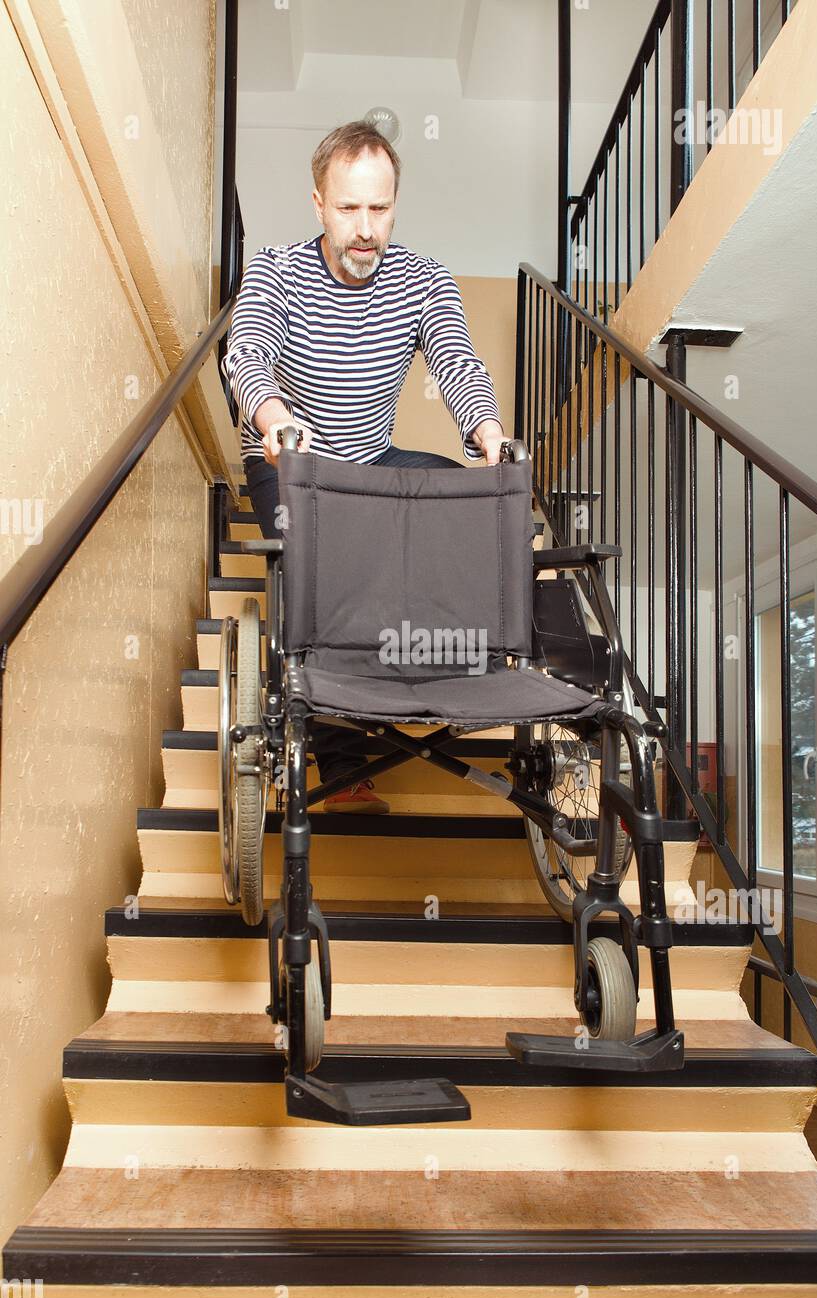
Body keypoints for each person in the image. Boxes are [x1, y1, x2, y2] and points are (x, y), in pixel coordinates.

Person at [222, 120, 505, 813]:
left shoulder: (423, 279)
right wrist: (274, 417)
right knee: (318, 565)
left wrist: (487, 432)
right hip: (292, 461)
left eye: (379, 209)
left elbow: (456, 361)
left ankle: (456, 671)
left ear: (395, 205)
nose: (365, 228)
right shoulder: (276, 268)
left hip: (373, 457)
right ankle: (344, 762)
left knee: (462, 499)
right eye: (349, 208)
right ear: (318, 201)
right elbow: (247, 351)